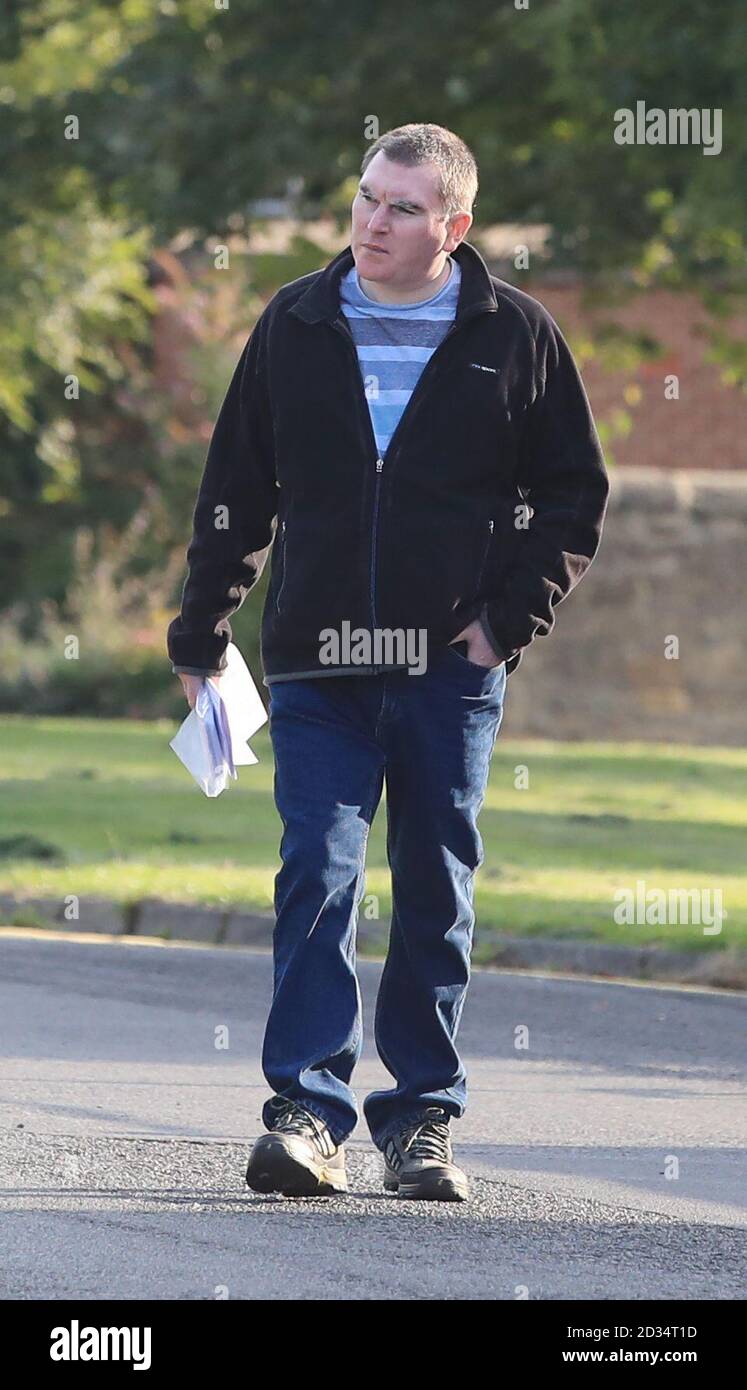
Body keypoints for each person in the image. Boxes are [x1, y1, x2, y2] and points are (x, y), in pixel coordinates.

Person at [168, 122, 609, 1203]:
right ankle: (306, 1115)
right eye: (367, 196)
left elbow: (572, 500)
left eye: (403, 207)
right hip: (317, 663)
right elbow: (236, 487)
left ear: (453, 227)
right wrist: (201, 632)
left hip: (447, 670)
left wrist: (504, 625)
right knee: (315, 871)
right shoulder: (296, 322)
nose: (373, 220)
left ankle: (420, 1122)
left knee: (431, 888)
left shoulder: (515, 336)